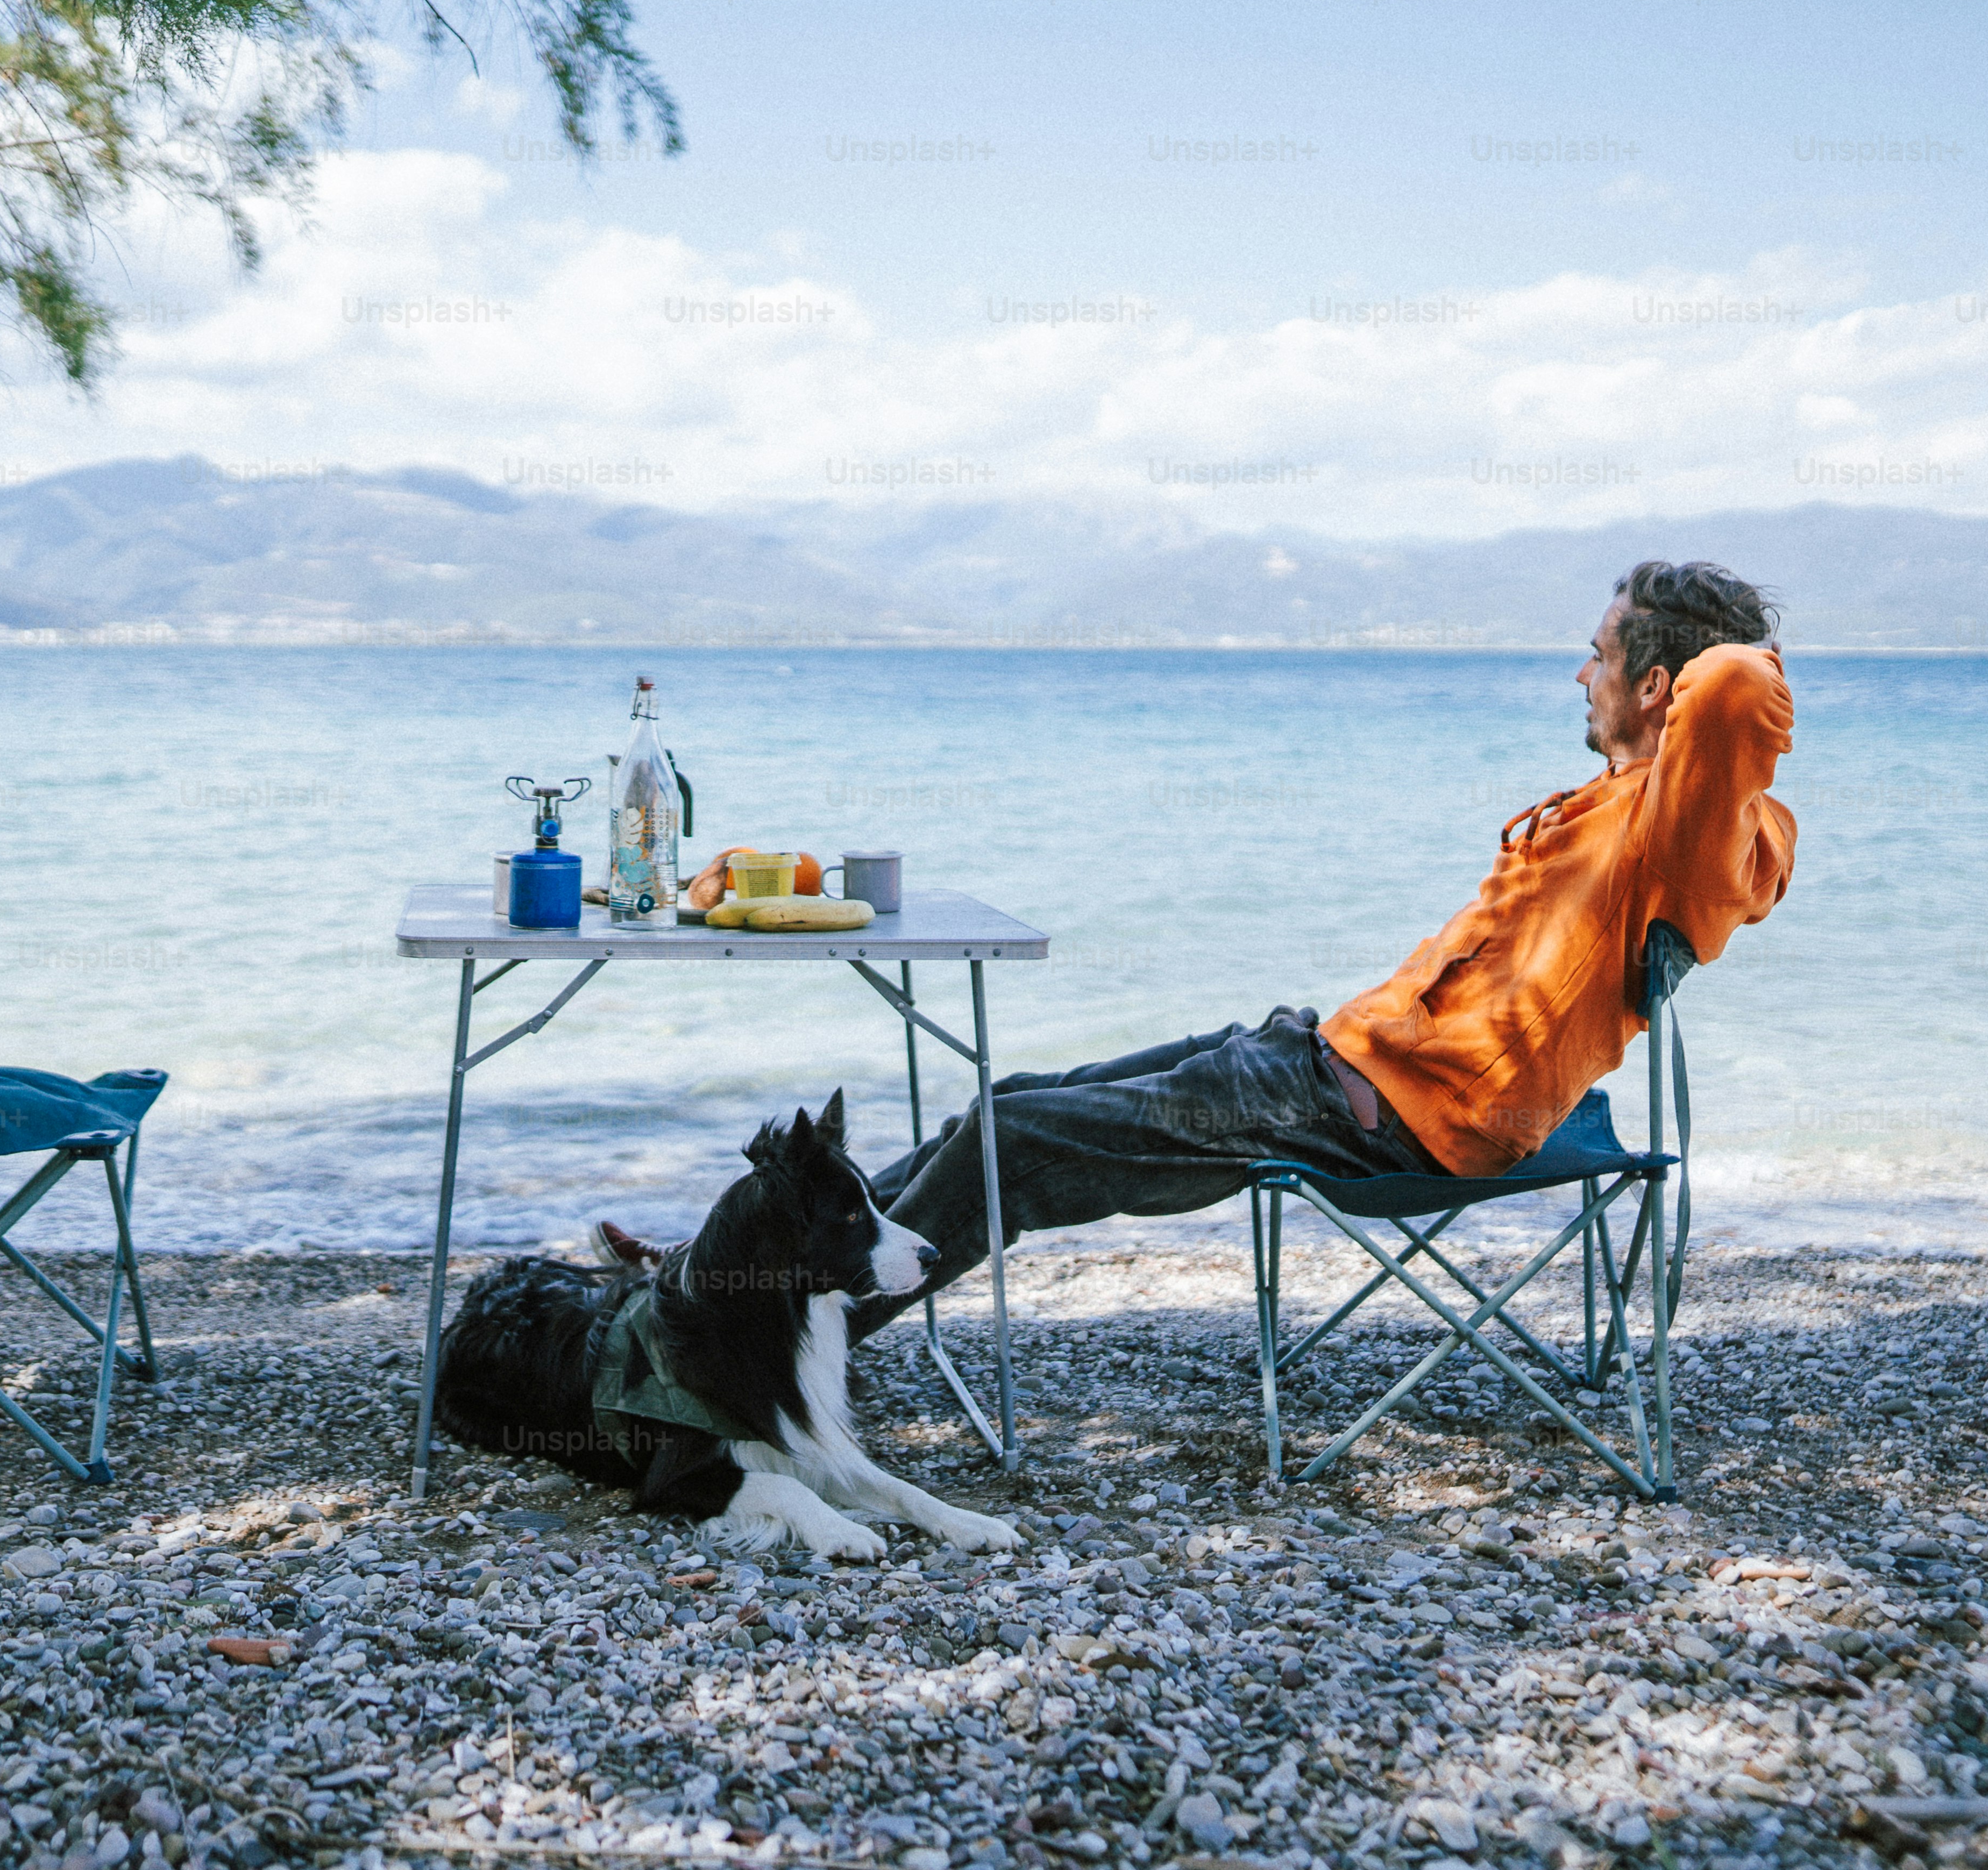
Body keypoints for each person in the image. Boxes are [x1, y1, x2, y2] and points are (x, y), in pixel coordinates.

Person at [595, 559, 1796, 1335]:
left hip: (1360, 1112)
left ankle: (744, 1341)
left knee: (1011, 1141)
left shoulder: (1678, 835)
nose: (1578, 671)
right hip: (1310, 1057)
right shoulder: (1625, 806)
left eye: (1601, 652)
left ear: (1656, 685)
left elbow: (1737, 686)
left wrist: (1703, 656)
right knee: (1002, 1106)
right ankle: (731, 1269)